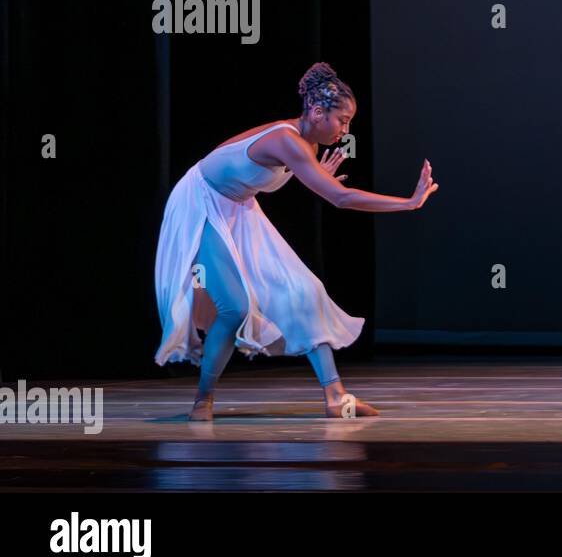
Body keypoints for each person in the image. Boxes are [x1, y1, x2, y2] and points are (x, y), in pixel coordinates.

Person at [153, 62, 437, 420]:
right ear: (317, 113)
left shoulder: (306, 146)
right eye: (342, 120)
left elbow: (256, 178)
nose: (345, 130)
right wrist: (408, 203)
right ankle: (202, 400)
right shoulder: (288, 140)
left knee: (304, 290)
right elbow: (341, 198)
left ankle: (336, 396)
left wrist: (320, 174)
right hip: (202, 203)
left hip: (238, 206)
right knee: (235, 307)